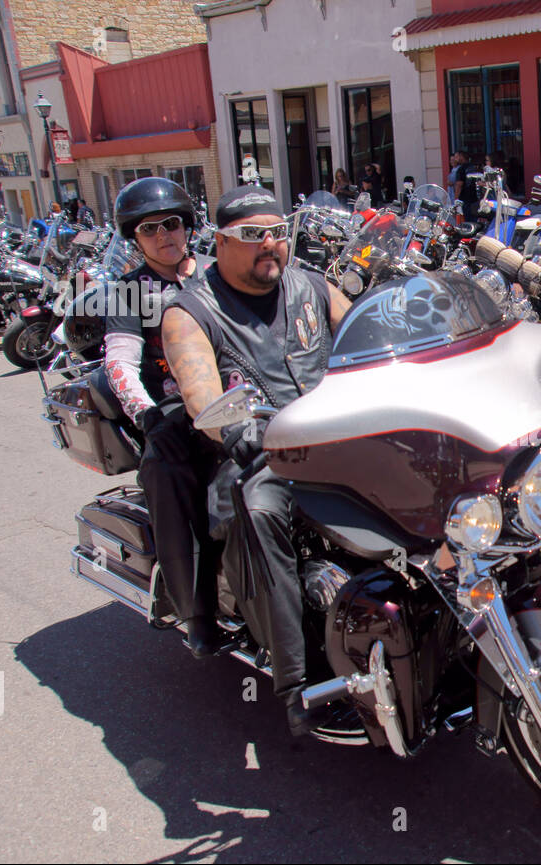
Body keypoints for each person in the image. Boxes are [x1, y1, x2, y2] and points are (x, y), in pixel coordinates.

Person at [161, 184, 353, 735]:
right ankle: (298, 685)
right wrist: (239, 429)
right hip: (258, 457)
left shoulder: (313, 287)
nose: (269, 243)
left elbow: (369, 332)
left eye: (277, 232)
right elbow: (204, 401)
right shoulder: (191, 311)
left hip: (338, 439)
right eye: (252, 235)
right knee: (263, 509)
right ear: (220, 242)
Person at [101, 177, 225, 657]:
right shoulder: (127, 293)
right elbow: (119, 363)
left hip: (239, 392)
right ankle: (197, 613)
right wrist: (148, 416)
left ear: (187, 226)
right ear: (135, 238)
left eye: (171, 223)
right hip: (175, 411)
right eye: (149, 229)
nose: (162, 235)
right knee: (167, 469)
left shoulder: (220, 274)